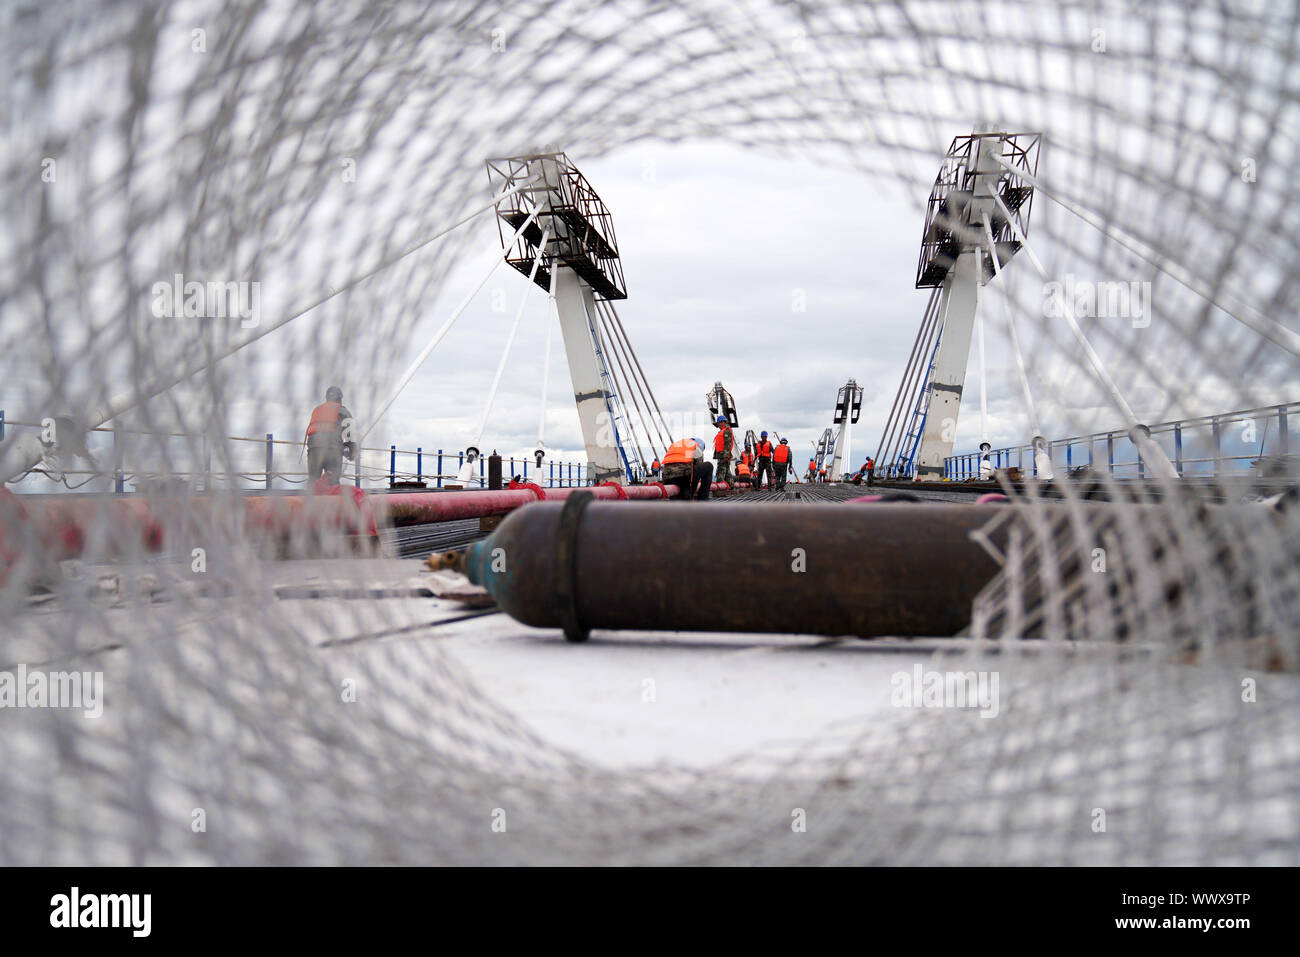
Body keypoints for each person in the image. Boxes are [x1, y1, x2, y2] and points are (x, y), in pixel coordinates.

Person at [304, 385, 354, 486]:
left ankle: (311, 501)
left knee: (313, 481)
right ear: (339, 398)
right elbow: (350, 430)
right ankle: (332, 500)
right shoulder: (341, 409)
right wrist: (351, 450)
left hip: (314, 448)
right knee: (332, 482)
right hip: (332, 448)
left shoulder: (317, 410)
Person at [713, 415, 736, 484]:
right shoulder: (721, 432)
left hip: (723, 455)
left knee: (720, 471)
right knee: (727, 472)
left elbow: (727, 444)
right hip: (720, 455)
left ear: (724, 422)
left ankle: (719, 487)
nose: (719, 424)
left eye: (721, 422)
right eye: (718, 423)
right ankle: (731, 486)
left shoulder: (726, 431)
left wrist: (726, 455)